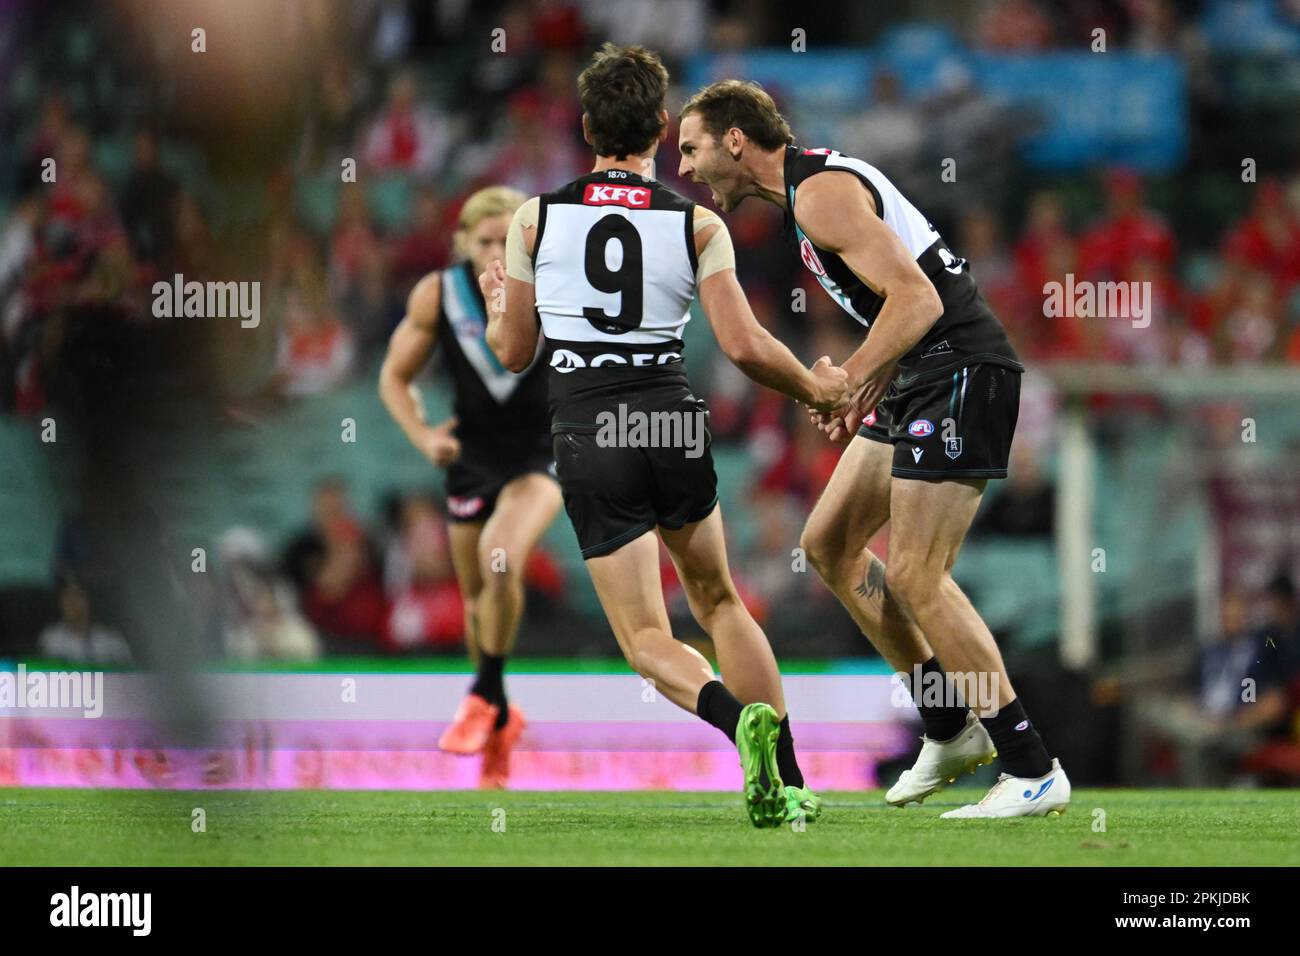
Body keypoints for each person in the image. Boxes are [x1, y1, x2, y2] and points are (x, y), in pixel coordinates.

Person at [677, 79, 1070, 818]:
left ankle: (1030, 763)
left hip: (960, 371)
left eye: (693, 148)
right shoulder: (809, 194)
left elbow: (920, 299)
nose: (690, 168)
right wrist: (869, 385)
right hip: (920, 375)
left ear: (736, 139)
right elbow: (903, 301)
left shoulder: (820, 195)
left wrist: (848, 376)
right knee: (828, 542)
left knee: (920, 576)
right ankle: (950, 724)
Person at [480, 44, 848, 827]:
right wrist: (815, 386)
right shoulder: (698, 224)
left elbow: (513, 353)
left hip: (590, 422)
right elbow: (746, 346)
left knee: (647, 635)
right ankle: (791, 775)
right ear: (661, 125)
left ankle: (731, 720)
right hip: (668, 415)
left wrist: (492, 306)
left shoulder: (534, 218)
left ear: (585, 127)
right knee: (719, 602)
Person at [379, 186, 562, 789]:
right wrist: (423, 436)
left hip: (542, 455)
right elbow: (394, 377)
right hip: (470, 459)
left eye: (505, 239)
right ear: (463, 242)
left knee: (499, 560)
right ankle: (498, 722)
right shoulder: (439, 293)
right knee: (478, 600)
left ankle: (482, 696)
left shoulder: (555, 286)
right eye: (483, 240)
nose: (493, 251)